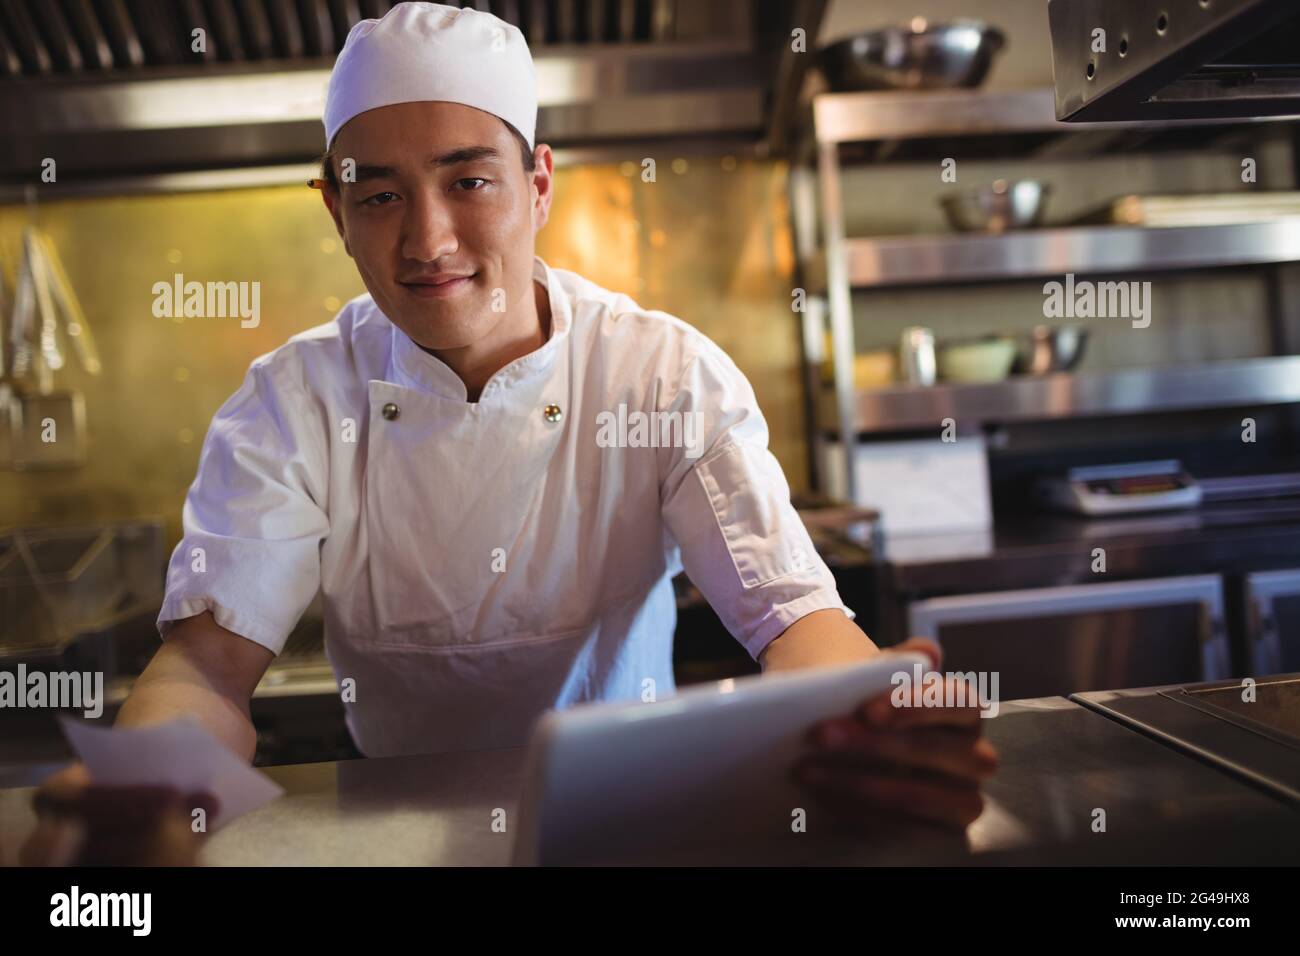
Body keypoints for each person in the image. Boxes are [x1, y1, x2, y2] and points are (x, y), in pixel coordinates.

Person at [24, 2, 995, 865]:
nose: (428, 239)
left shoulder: (659, 372)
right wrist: (148, 781)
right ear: (335, 211)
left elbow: (793, 618)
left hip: (644, 823)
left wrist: (869, 725)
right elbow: (206, 664)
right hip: (394, 830)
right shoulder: (292, 402)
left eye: (468, 182)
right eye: (378, 195)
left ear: (537, 184)